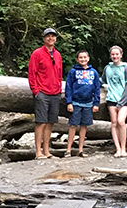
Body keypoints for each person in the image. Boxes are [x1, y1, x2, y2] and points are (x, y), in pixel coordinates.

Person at [28, 27, 63, 159]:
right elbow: (32, 74)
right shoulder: (37, 54)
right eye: (48, 36)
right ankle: (38, 152)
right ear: (44, 39)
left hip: (55, 93)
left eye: (53, 36)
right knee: (41, 122)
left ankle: (46, 151)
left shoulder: (58, 55)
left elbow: (59, 74)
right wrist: (36, 91)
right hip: (42, 92)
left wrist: (59, 89)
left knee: (50, 122)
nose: (51, 38)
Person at [63, 50, 101, 157]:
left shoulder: (93, 72)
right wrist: (69, 102)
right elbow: (68, 87)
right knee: (73, 125)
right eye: (81, 57)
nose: (83, 59)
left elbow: (97, 88)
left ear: (88, 58)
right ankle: (68, 150)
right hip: (75, 102)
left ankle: (80, 150)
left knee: (84, 126)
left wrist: (96, 103)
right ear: (77, 59)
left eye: (85, 57)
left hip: (88, 103)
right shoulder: (73, 71)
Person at [102, 45, 127, 157]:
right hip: (111, 98)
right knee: (114, 123)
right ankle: (118, 149)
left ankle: (124, 148)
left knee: (121, 121)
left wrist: (121, 102)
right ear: (110, 56)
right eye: (113, 54)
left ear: (121, 55)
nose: (115, 56)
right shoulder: (107, 68)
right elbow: (103, 80)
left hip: (124, 99)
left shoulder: (126, 67)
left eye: (117, 54)